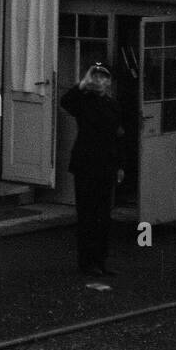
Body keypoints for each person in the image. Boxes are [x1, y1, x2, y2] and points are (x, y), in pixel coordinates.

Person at [61, 62, 125, 279]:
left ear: (109, 82)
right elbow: (65, 102)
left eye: (103, 77)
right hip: (86, 164)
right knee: (87, 215)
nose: (99, 80)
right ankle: (87, 262)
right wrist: (81, 84)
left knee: (103, 216)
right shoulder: (83, 100)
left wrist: (120, 165)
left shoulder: (113, 105)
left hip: (106, 165)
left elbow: (117, 137)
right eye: (95, 76)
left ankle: (101, 261)